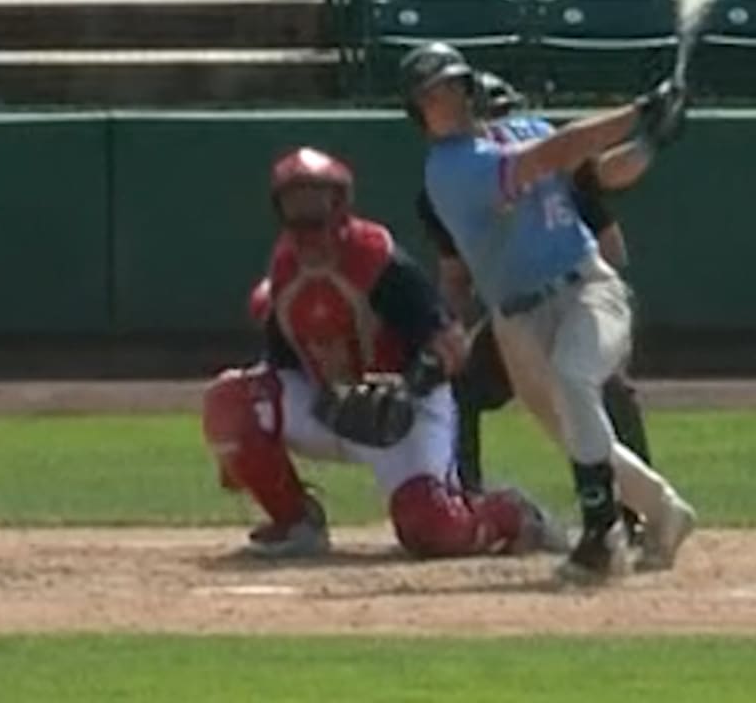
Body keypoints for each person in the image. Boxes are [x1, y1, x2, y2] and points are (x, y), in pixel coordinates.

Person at [412, 42, 696, 583]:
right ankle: (664, 513)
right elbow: (547, 159)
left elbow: (597, 174)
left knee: (574, 378)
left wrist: (651, 135)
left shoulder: (527, 131)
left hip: (585, 288)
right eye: (430, 95)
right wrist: (640, 112)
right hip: (516, 318)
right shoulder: (449, 169)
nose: (444, 100)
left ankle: (599, 537)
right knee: (576, 432)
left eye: (450, 87)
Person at [199, 146, 567, 560]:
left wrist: (407, 388)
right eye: (294, 203)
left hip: (406, 413)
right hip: (329, 405)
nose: (306, 217)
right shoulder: (285, 268)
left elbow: (452, 343)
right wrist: (242, 446)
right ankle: (295, 522)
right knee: (231, 401)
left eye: (316, 202)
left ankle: (509, 513)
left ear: (340, 204)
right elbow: (280, 367)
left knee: (431, 531)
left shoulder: (378, 261)